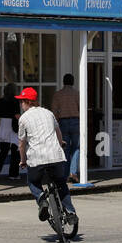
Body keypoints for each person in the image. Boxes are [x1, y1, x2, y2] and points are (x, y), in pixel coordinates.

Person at [16, 88, 77, 230]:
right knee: (61, 184)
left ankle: (42, 199)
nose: (21, 104)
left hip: (36, 158)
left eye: (21, 101)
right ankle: (70, 212)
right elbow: (58, 132)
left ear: (26, 102)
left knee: (32, 181)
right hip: (55, 156)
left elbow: (21, 144)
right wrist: (61, 144)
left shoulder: (23, 118)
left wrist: (23, 160)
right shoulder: (48, 113)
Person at [51, 73, 81, 183]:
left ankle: (65, 173)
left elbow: (54, 111)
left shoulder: (58, 95)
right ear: (72, 82)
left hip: (63, 121)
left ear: (63, 82)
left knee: (65, 148)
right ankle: (73, 172)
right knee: (77, 147)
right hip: (75, 121)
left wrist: (56, 123)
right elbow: (81, 108)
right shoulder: (77, 94)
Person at [0, 83, 21, 181]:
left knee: (3, 151)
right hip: (12, 126)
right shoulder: (15, 101)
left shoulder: (1, 100)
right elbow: (17, 115)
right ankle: (13, 174)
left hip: (3, 125)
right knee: (15, 152)